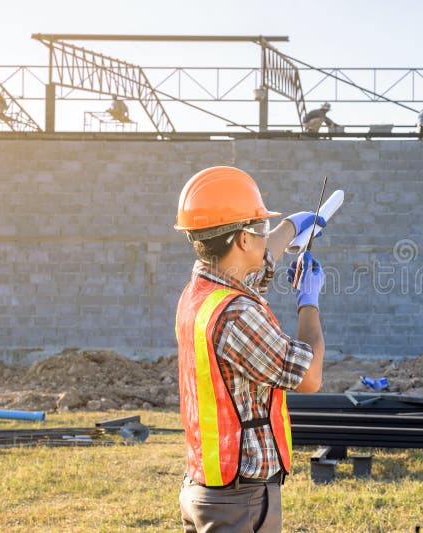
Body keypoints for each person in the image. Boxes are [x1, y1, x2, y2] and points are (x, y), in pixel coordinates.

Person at [173, 166, 327, 533]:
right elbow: (310, 377)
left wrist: (293, 225)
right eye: (259, 227)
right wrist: (309, 299)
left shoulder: (201, 292)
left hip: (208, 485)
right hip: (240, 499)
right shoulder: (238, 314)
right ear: (242, 239)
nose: (265, 235)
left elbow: (259, 259)